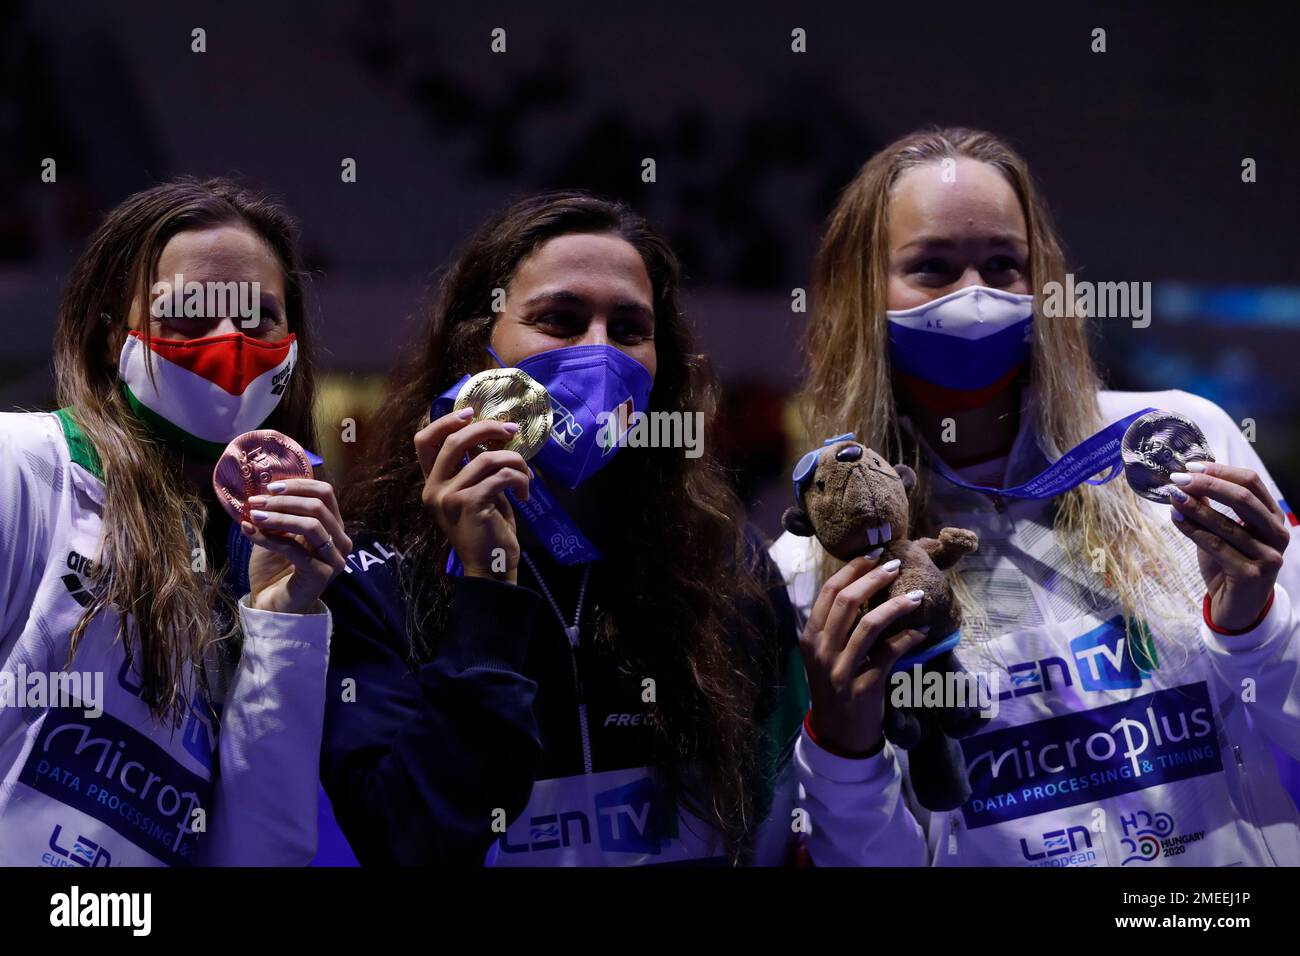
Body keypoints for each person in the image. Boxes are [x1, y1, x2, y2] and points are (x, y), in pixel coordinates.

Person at [774, 127, 1300, 866]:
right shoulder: (814, 563)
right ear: (862, 294)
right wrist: (842, 742)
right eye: (931, 268)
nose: (975, 297)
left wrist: (1255, 627)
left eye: (1002, 264)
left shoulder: (1176, 441)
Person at [321, 191, 870, 865]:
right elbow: (407, 839)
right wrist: (486, 592)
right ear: (479, 346)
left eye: (630, 329)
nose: (599, 353)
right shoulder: (373, 574)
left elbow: (777, 816)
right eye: (560, 319)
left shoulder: (721, 561)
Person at [0, 178, 350, 866]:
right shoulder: (24, 465)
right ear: (109, 336)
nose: (228, 341)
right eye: (189, 313)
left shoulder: (275, 561)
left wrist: (284, 619)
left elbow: (260, 853)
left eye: (257, 319)